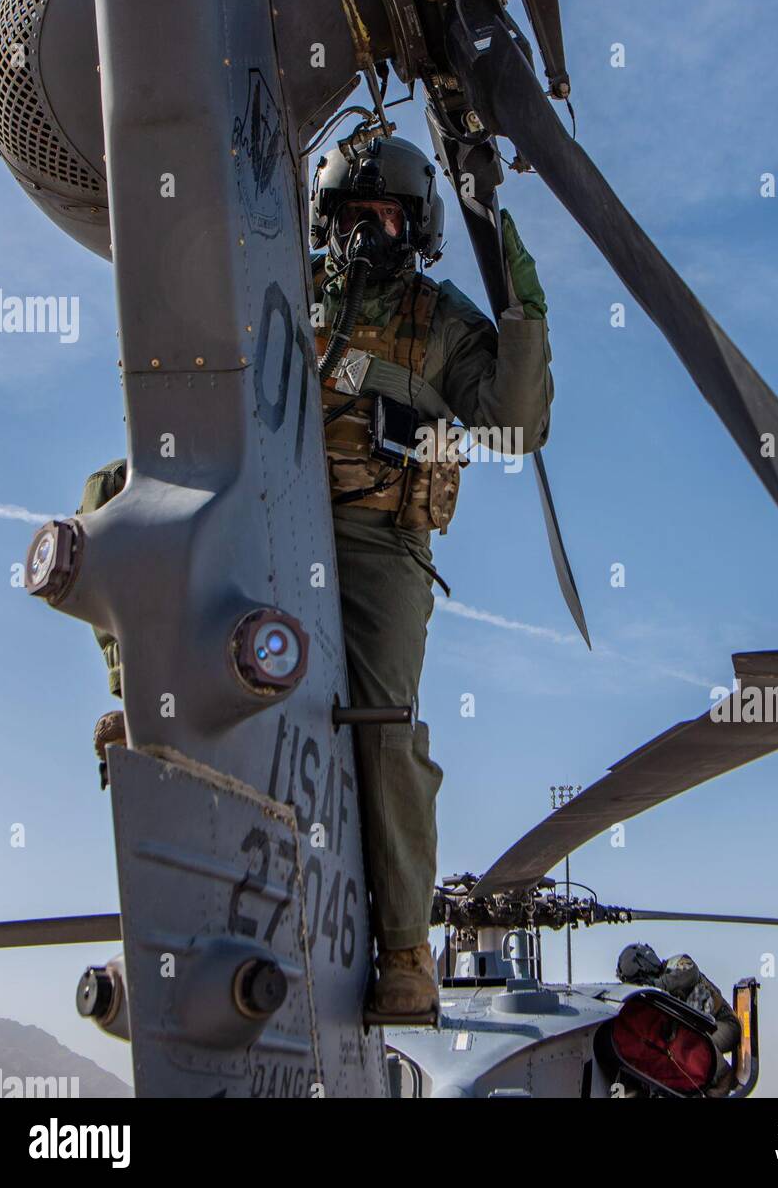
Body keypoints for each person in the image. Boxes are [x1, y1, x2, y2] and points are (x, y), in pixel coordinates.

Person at [81, 134, 553, 1022]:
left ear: (413, 228)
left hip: (376, 537)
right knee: (112, 499)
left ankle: (407, 947)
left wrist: (518, 290)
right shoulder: (282, 290)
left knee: (382, 723)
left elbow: (516, 424)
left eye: (381, 216)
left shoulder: (441, 318)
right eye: (348, 215)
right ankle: (139, 696)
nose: (362, 232)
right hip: (269, 508)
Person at [616, 944, 742, 1096]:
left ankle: (725, 1083)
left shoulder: (677, 964)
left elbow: (691, 973)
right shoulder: (654, 998)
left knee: (697, 1045)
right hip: (697, 1031)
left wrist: (654, 985)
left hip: (723, 1024)